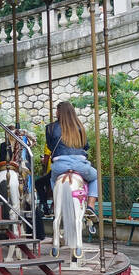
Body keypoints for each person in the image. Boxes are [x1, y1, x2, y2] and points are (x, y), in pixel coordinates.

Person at [45, 100, 99, 233]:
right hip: (80, 165)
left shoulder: (50, 128)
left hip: (60, 165)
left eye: (57, 110)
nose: (56, 113)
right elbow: (86, 146)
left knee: (52, 179)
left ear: (60, 112)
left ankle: (56, 204)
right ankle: (91, 206)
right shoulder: (79, 127)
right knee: (95, 176)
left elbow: (51, 146)